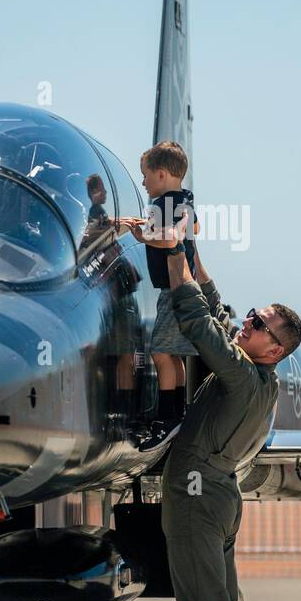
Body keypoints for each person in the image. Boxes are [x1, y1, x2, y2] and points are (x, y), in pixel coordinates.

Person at [141, 213, 301, 601]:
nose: (248, 321)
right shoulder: (261, 379)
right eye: (253, 314)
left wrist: (174, 249)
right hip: (220, 497)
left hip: (197, 503)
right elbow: (216, 311)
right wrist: (191, 251)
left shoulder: (241, 373)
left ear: (276, 351)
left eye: (261, 325)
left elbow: (199, 323)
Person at [128, 141, 199, 444]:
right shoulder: (184, 199)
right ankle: (180, 414)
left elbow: (171, 239)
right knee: (173, 354)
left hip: (171, 289)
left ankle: (166, 419)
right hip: (185, 288)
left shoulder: (161, 204)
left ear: (160, 175)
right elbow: (194, 229)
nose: (142, 182)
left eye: (145, 175)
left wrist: (142, 235)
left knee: (159, 352)